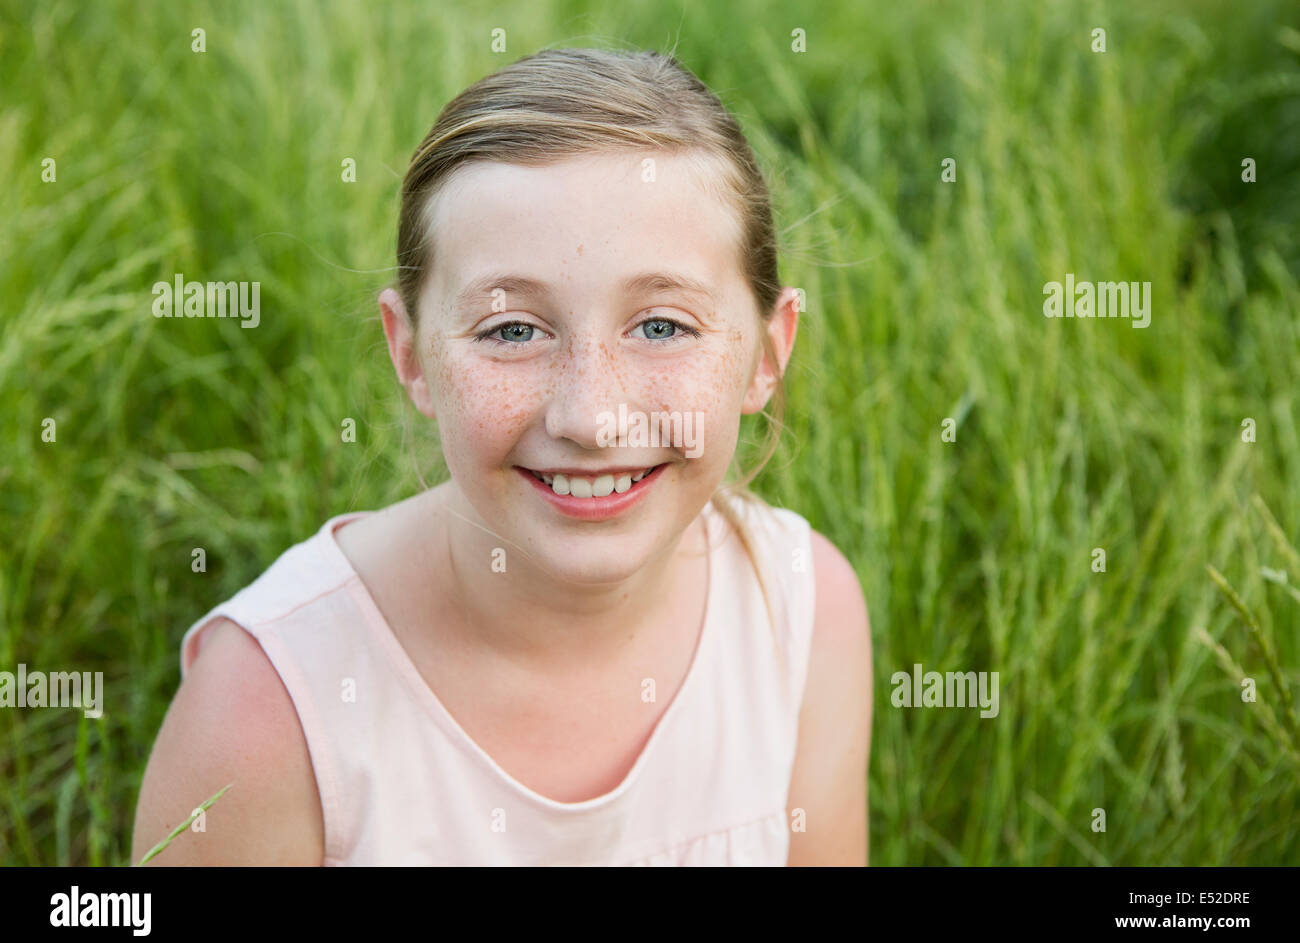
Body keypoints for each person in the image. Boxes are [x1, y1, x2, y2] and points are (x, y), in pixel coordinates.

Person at [132, 47, 872, 865]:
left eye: (662, 325)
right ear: (411, 355)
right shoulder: (267, 709)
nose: (591, 417)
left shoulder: (802, 615)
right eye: (512, 330)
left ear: (768, 354)